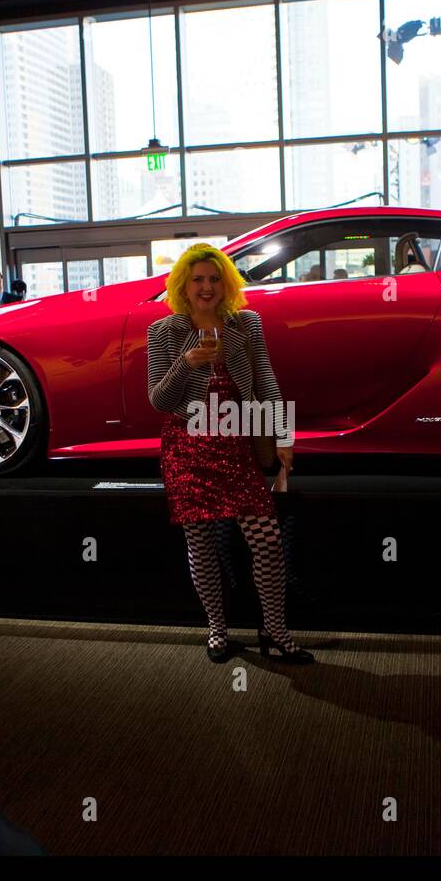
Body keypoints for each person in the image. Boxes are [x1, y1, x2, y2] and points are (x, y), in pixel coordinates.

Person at [147, 243, 311, 665]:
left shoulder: (247, 323)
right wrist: (186, 362)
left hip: (236, 444)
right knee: (200, 543)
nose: (207, 287)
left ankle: (275, 631)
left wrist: (284, 437)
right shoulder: (162, 331)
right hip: (187, 446)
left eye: (214, 278)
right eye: (198, 279)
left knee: (268, 541)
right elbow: (160, 401)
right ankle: (217, 632)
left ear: (227, 283)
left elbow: (266, 383)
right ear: (183, 284)